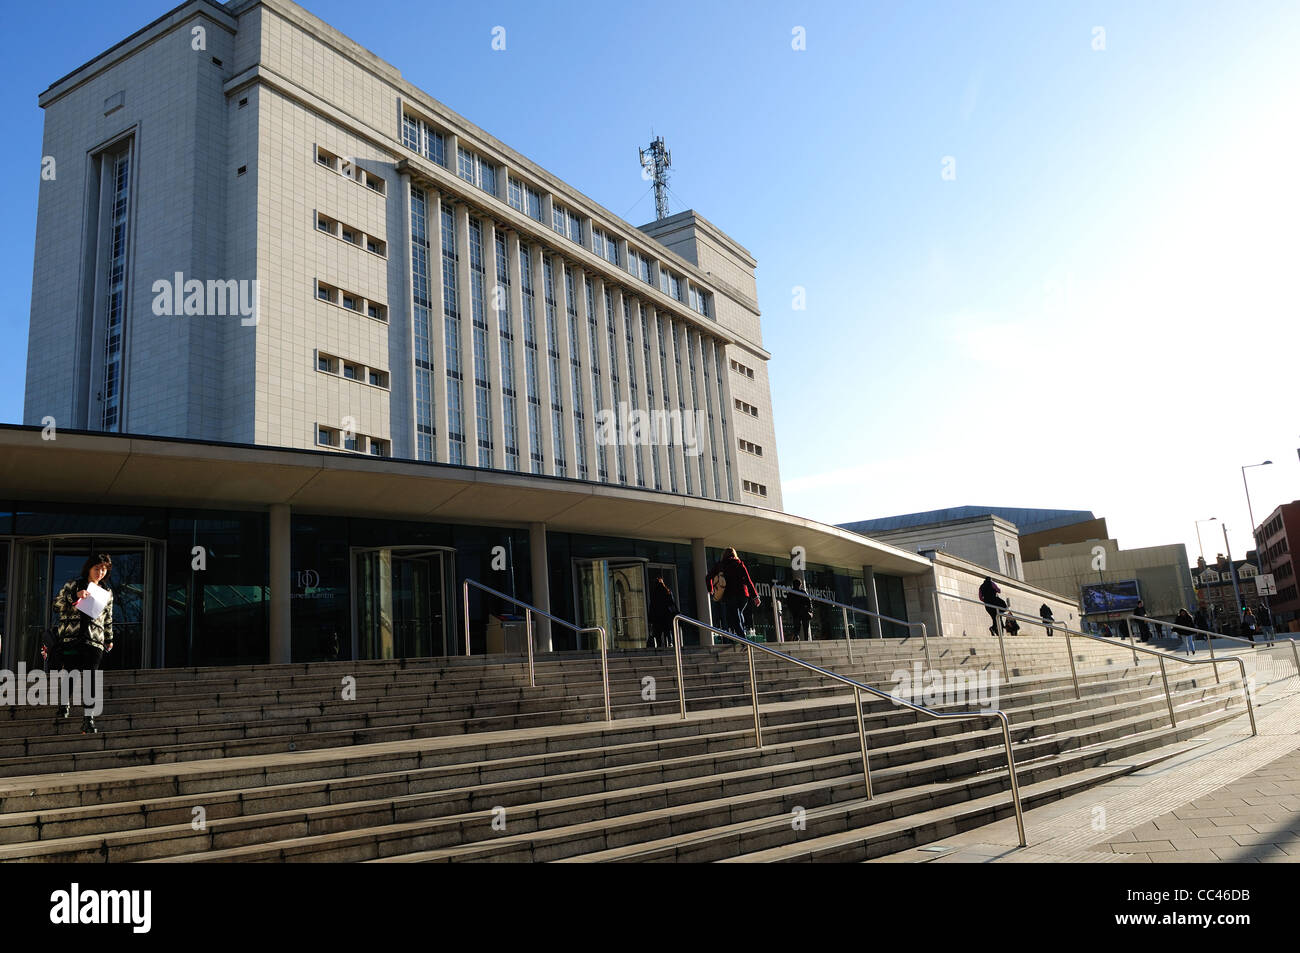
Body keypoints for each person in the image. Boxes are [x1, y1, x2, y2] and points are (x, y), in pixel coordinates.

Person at [52, 553, 114, 734]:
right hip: (71, 638)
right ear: (89, 568)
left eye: (104, 569)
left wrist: (109, 638)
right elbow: (56, 605)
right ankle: (64, 704)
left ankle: (89, 719)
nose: (100, 572)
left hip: (94, 640)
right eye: (97, 568)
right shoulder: (73, 584)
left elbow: (108, 617)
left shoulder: (107, 592)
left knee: (91, 678)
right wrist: (74, 596)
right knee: (71, 672)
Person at [706, 548, 760, 644]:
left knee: (735, 617)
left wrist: (710, 589)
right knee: (739, 614)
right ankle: (741, 636)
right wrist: (755, 597)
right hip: (743, 595)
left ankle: (743, 641)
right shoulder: (740, 564)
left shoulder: (721, 565)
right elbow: (748, 581)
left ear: (724, 555)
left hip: (730, 595)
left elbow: (708, 576)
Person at [647, 575, 678, 649]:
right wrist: (675, 612)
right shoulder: (667, 591)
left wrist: (650, 619)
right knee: (667, 631)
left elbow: (652, 607)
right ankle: (670, 644)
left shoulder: (654, 594)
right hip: (666, 616)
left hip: (657, 617)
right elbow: (672, 603)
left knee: (658, 634)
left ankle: (659, 646)